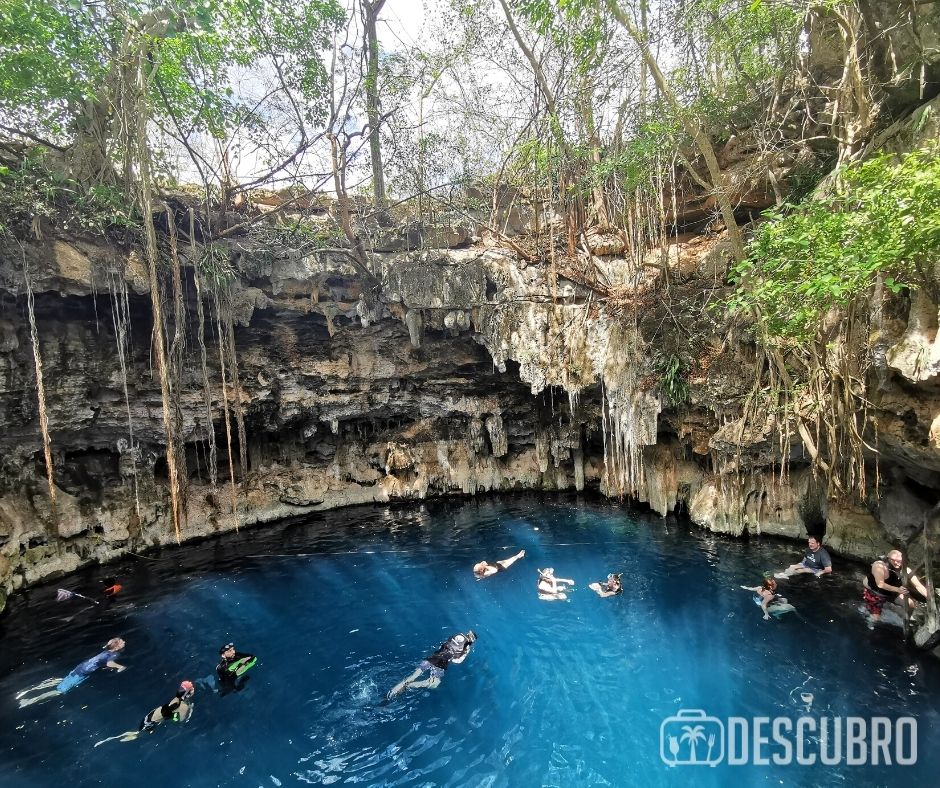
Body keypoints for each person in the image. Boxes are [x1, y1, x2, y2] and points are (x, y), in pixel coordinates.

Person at [385, 631, 477, 701]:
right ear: (472, 640)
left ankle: (396, 688)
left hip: (431, 658)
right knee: (434, 684)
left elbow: (441, 646)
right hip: (440, 665)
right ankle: (409, 686)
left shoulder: (456, 635)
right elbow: (457, 661)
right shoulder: (467, 647)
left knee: (413, 676)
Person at [96, 681, 196, 745]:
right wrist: (189, 711)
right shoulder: (184, 706)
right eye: (192, 690)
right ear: (189, 693)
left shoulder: (176, 699)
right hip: (151, 723)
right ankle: (127, 738)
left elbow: (167, 712)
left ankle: (127, 735)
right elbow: (180, 720)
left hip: (150, 716)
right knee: (140, 734)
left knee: (141, 729)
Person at [863, 549, 928, 626]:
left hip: (891, 590)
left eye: (900, 561)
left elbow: (918, 586)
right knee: (876, 618)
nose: (897, 563)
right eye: (894, 560)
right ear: (888, 558)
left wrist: (929, 597)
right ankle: (869, 623)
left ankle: (907, 620)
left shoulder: (905, 570)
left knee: (911, 604)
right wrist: (898, 589)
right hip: (875, 592)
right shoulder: (879, 566)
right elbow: (880, 584)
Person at [56, 637, 126, 693]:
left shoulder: (107, 648)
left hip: (81, 666)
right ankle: (56, 692)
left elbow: (104, 658)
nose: (124, 642)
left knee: (70, 677)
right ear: (116, 648)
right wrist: (120, 666)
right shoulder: (115, 654)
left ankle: (61, 684)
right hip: (84, 672)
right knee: (64, 689)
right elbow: (109, 663)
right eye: (122, 642)